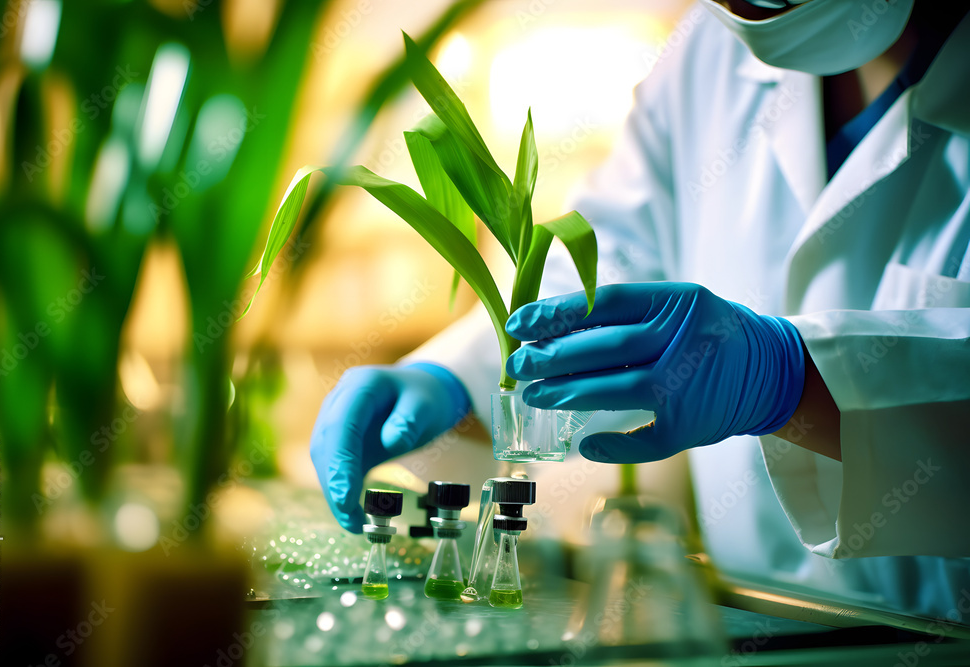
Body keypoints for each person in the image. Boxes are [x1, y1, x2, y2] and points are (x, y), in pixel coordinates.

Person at [310, 0, 970, 619]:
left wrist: (790, 380)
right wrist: (459, 378)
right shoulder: (707, 51)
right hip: (749, 615)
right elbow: (609, 267)